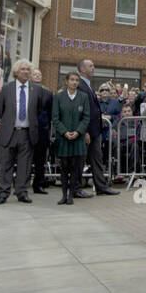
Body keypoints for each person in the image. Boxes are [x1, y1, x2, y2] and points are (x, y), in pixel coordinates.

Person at [0, 60, 40, 204]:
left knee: (24, 165)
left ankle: (22, 192)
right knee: (6, 163)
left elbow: (38, 109)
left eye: (27, 69)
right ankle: (4, 192)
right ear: (16, 72)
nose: (25, 72)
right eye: (22, 69)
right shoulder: (7, 88)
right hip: (9, 132)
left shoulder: (36, 90)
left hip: (26, 133)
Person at [76, 58, 119, 196]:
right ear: (82, 69)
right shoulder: (80, 85)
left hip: (95, 130)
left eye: (93, 65)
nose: (93, 68)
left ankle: (101, 186)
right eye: (90, 66)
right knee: (80, 159)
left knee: (97, 159)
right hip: (87, 131)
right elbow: (82, 110)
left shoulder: (88, 85)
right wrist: (85, 131)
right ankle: (76, 188)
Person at [51, 71, 92, 204]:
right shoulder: (59, 97)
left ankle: (71, 196)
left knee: (75, 167)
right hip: (63, 138)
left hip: (77, 138)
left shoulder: (83, 97)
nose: (74, 82)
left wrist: (78, 132)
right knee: (64, 167)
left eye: (77, 80)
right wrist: (64, 132)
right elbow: (55, 118)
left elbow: (86, 117)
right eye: (72, 80)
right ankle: (63, 194)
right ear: (66, 81)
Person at [30, 68, 53, 195]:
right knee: (26, 158)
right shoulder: (26, 90)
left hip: (42, 130)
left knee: (40, 160)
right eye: (35, 74)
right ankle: (22, 184)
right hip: (28, 130)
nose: (38, 76)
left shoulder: (48, 92)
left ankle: (39, 184)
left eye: (39, 74)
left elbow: (50, 113)